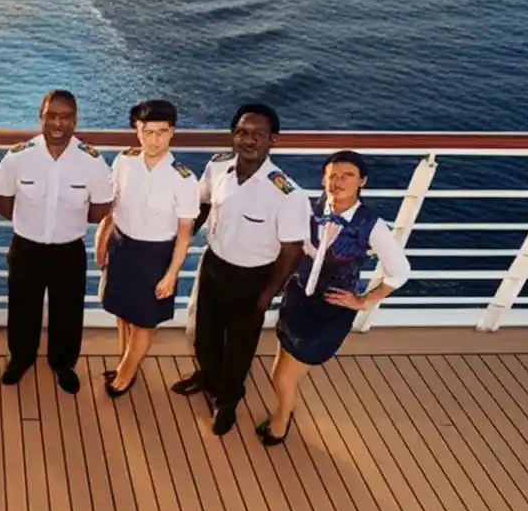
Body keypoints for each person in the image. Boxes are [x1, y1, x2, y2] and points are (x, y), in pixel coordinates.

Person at [170, 103, 310, 436]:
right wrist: (182, 246)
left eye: (258, 135)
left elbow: (293, 250)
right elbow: (203, 205)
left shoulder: (287, 194)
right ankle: (208, 376)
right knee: (203, 337)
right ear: (233, 135)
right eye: (242, 132)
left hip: (254, 278)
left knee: (239, 347)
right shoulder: (217, 167)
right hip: (214, 266)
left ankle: (228, 400)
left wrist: (267, 295)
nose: (249, 140)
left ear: (272, 141)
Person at [257, 150, 411, 444]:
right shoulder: (306, 208)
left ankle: (281, 420)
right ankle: (285, 407)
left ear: (361, 181)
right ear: (324, 180)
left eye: (347, 176)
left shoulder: (371, 225)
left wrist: (364, 301)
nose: (338, 182)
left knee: (282, 377)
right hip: (297, 301)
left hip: (329, 311)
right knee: (282, 365)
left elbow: (400, 271)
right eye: (333, 176)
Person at [0, 89, 113, 393]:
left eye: (66, 117)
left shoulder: (92, 162)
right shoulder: (18, 157)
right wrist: (31, 222)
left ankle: (63, 364)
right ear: (41, 117)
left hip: (68, 249)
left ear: (75, 120)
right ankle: (20, 359)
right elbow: (2, 202)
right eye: (52, 116)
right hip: (26, 247)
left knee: (68, 311)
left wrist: (65, 221)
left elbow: (99, 210)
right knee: (22, 307)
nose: (58, 123)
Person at [95, 99, 198, 396]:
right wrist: (101, 243)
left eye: (161, 132)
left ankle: (125, 376)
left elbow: (184, 233)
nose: (154, 139)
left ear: (172, 133)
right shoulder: (123, 162)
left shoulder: (183, 179)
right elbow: (113, 209)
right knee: (122, 312)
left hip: (156, 256)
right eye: (147, 131)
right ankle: (124, 362)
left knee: (145, 321)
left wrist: (171, 275)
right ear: (137, 130)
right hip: (122, 248)